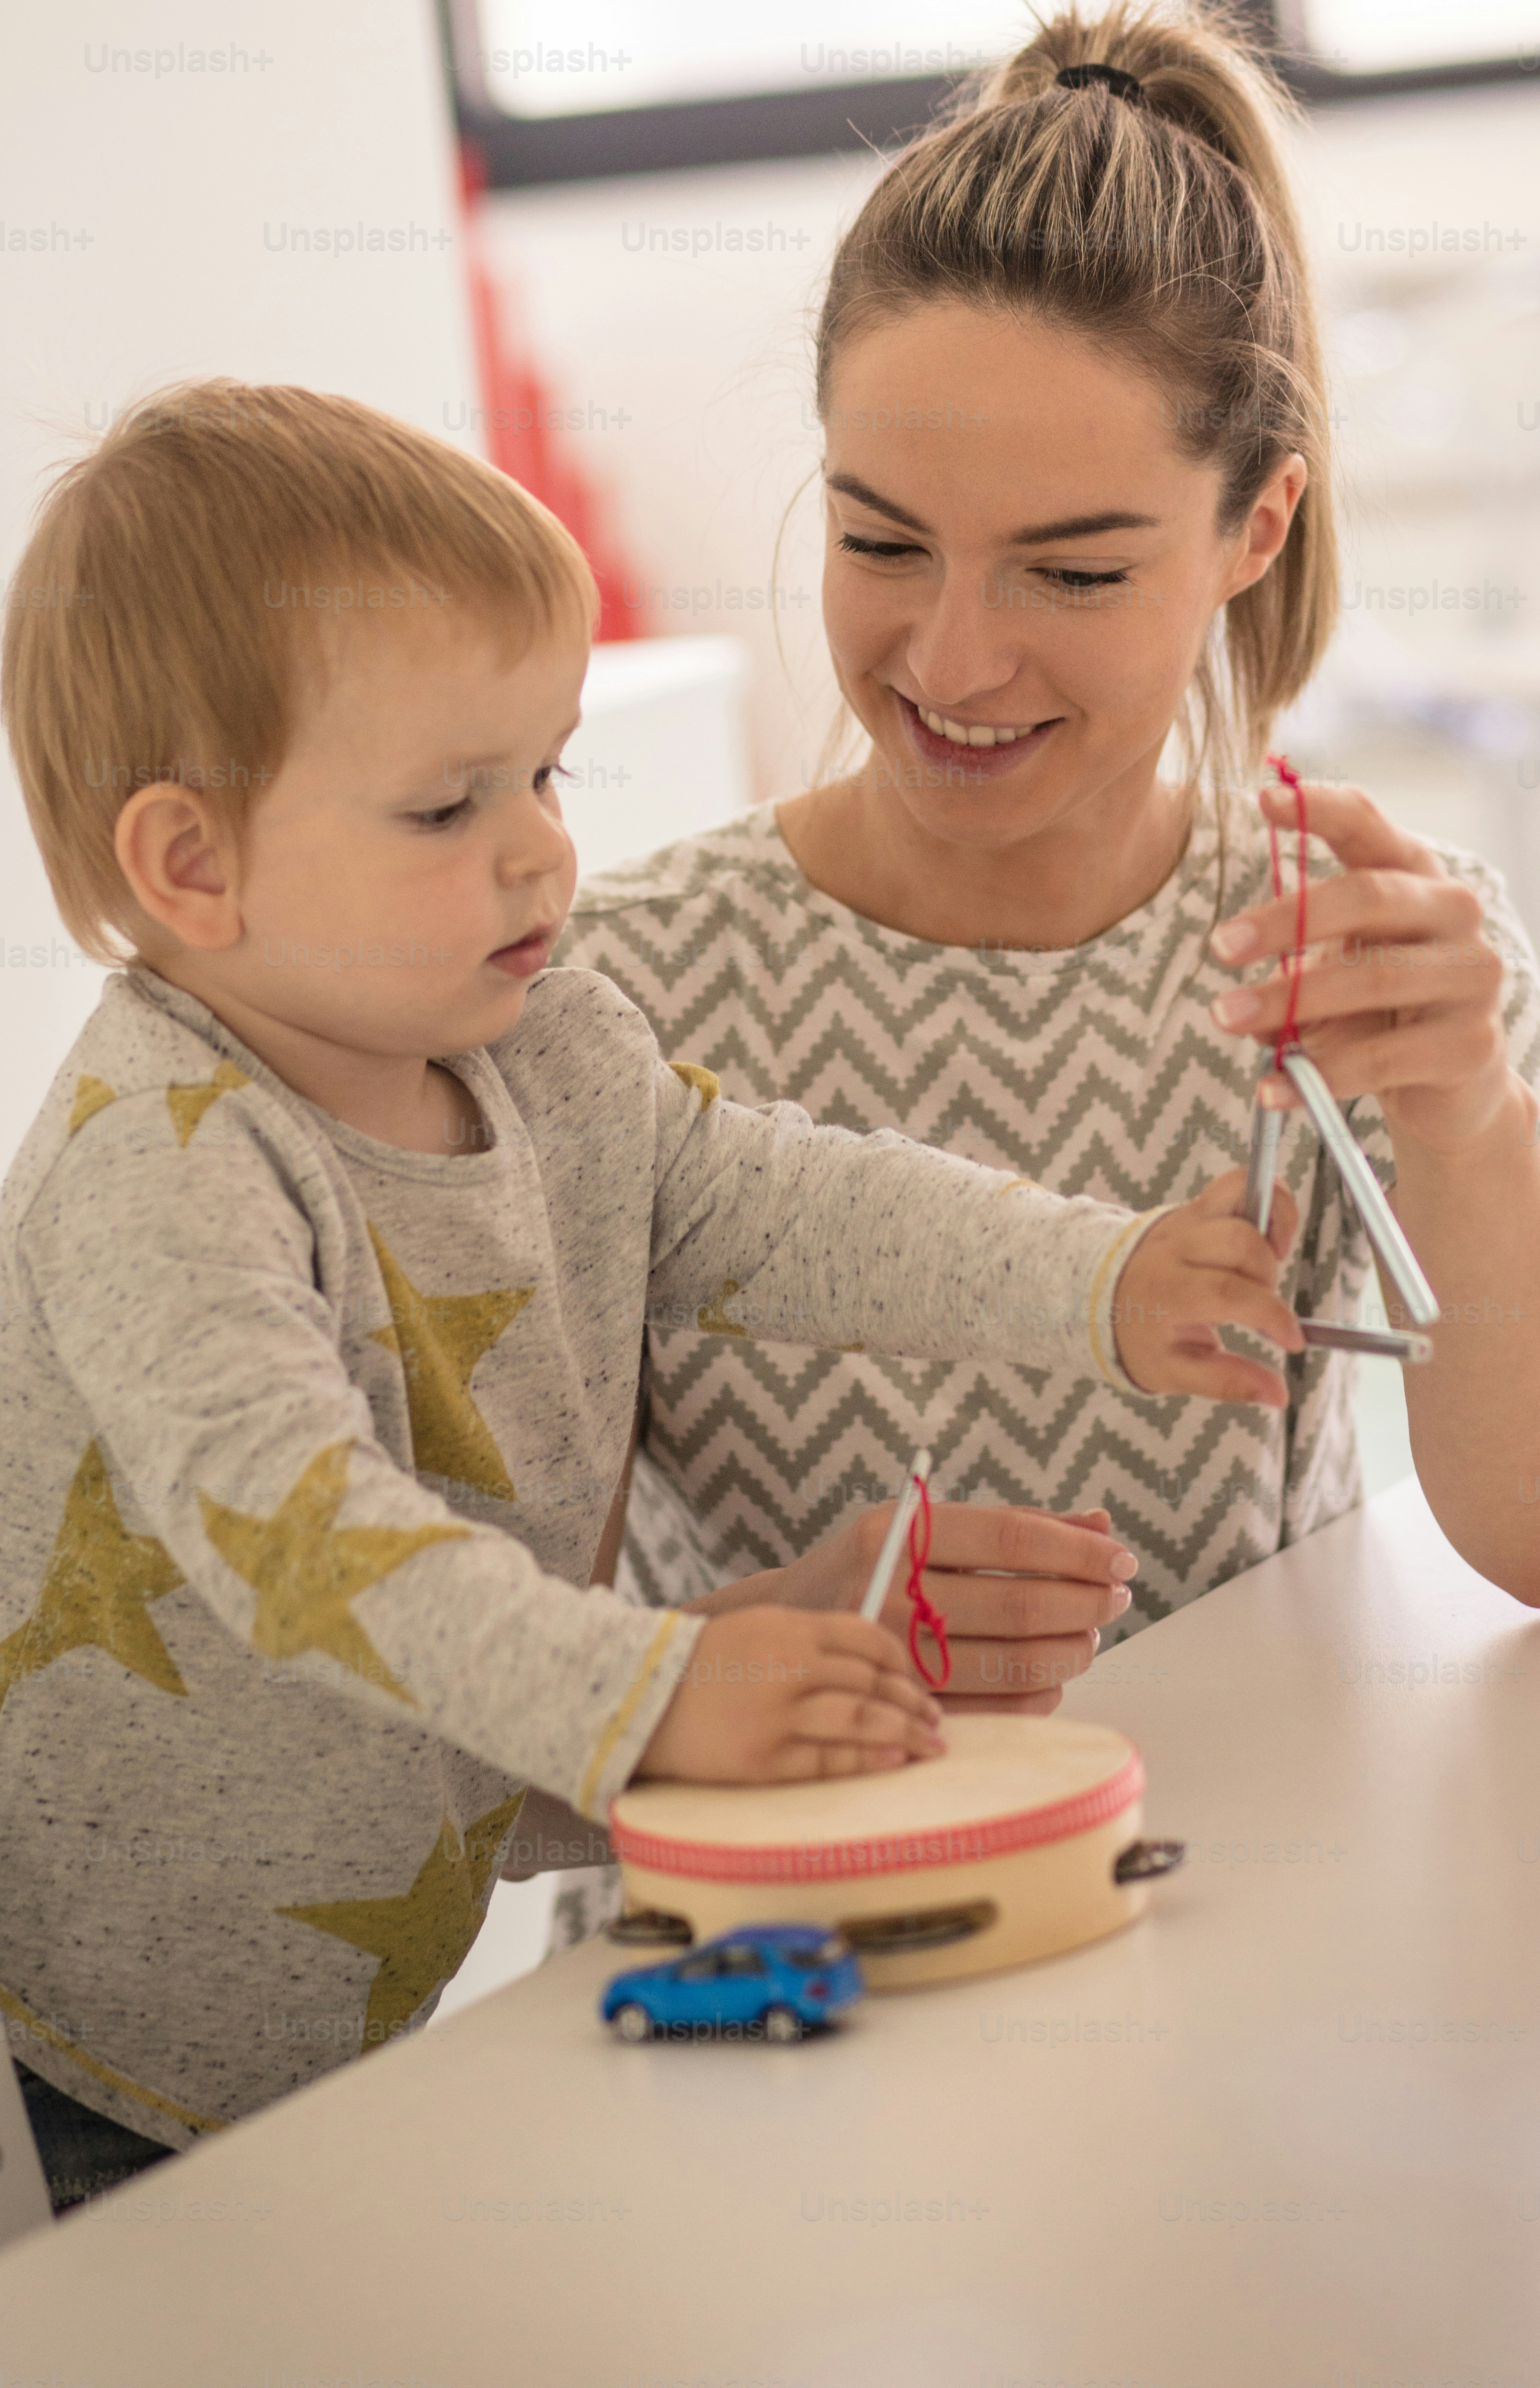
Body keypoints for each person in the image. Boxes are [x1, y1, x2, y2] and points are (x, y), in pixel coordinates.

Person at [0, 377, 1293, 2208]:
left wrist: (1100, 1274)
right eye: (448, 806)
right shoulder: (165, 1166)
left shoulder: (535, 1037)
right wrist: (653, 1690)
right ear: (191, 868)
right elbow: (297, 1543)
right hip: (82, 2062)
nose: (538, 850)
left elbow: (778, 1198)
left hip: (362, 1994)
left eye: (548, 770)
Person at [551, 2, 1540, 1939]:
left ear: (1254, 522)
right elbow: (480, 1688)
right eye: (878, 543)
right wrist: (762, 1641)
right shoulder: (615, 994)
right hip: (794, 1977)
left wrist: (1470, 1109)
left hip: (1258, 1932)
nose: (951, 662)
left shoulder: (1370, 953)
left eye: (1072, 573)